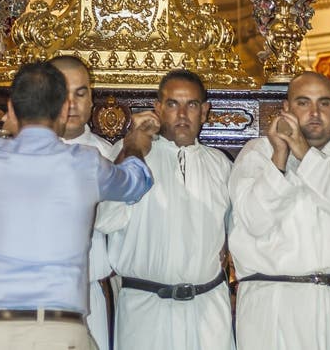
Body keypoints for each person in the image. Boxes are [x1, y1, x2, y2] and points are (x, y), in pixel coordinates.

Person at [0, 60, 154, 350]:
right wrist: (135, 146)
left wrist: (7, 132)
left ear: (11, 109)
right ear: (64, 109)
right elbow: (136, 183)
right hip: (57, 330)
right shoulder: (85, 163)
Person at [229, 71, 330, 350]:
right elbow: (254, 220)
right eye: (303, 103)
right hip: (274, 308)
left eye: (324, 103)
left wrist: (306, 155)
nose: (315, 112)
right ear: (286, 108)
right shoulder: (257, 154)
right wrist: (279, 158)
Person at [96, 69, 235, 350]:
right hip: (145, 313)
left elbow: (237, 231)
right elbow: (106, 219)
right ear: (158, 108)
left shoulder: (220, 165)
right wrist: (132, 148)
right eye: (172, 104)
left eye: (192, 105)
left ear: (205, 111)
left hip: (208, 312)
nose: (182, 114)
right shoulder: (129, 156)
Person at [51, 54, 116, 350]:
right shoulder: (19, 153)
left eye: (81, 93)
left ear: (92, 98)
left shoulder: (110, 156)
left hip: (90, 294)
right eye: (63, 94)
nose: (73, 104)